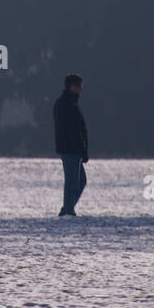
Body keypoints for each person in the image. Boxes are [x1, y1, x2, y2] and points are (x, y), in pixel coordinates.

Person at [53, 73, 88, 216]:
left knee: (80, 181)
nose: (81, 88)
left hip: (74, 149)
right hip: (70, 149)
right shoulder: (65, 104)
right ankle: (68, 211)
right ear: (71, 87)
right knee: (72, 182)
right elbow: (72, 130)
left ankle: (67, 209)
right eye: (78, 85)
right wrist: (80, 149)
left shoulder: (71, 102)